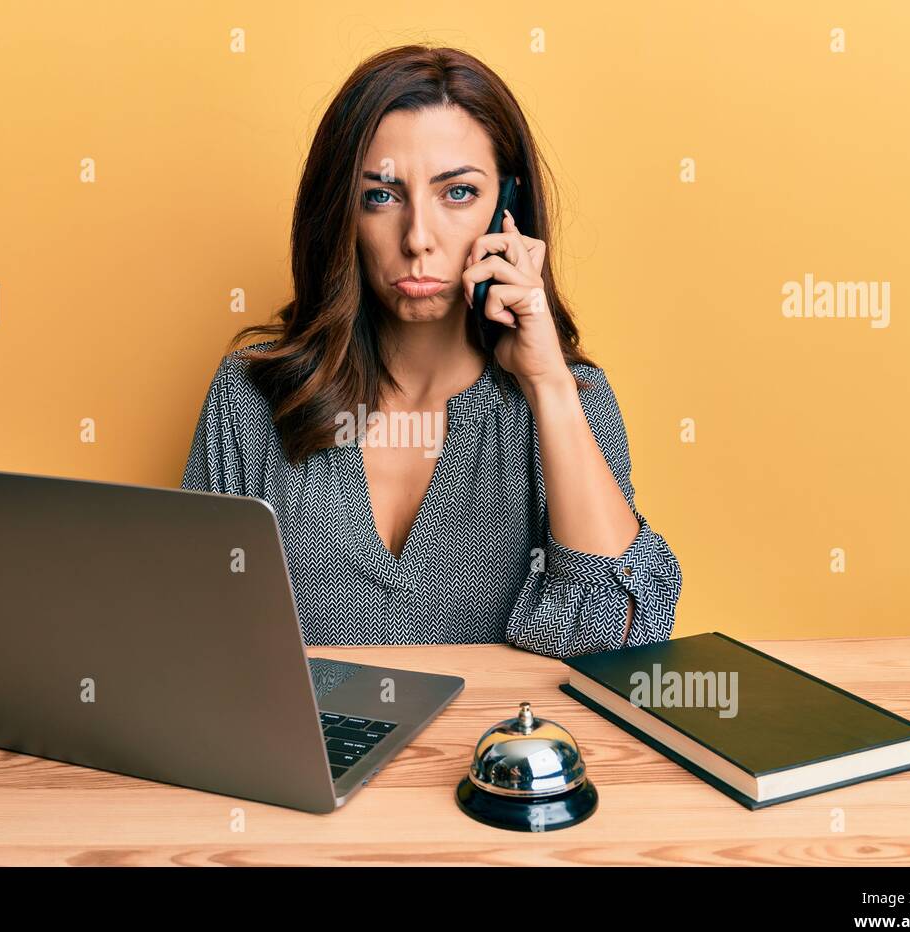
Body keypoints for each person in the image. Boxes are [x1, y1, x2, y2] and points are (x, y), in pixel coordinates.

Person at [181, 45, 682, 658]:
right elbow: (199, 640)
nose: (418, 238)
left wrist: (547, 381)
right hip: (314, 753)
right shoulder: (252, 396)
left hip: (487, 750)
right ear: (343, 212)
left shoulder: (570, 401)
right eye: (381, 196)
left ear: (508, 209)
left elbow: (619, 636)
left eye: (458, 193)